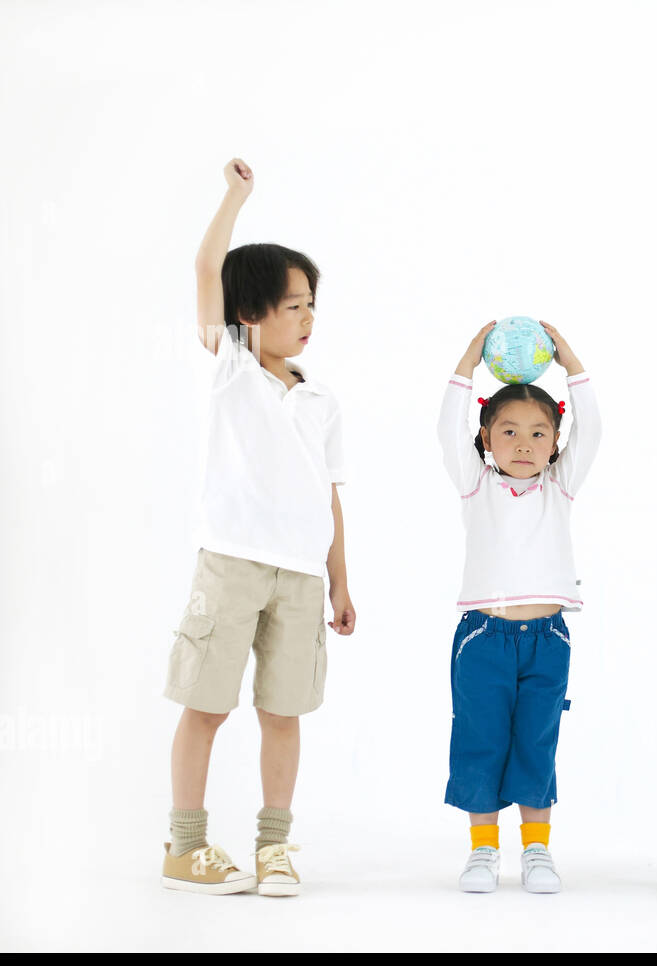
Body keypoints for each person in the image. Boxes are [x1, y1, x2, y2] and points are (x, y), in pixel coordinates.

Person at [161, 158, 355, 897]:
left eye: (312, 305)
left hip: (302, 576)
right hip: (233, 563)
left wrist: (340, 580)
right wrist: (235, 197)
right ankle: (186, 846)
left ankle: (274, 848)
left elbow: (331, 495)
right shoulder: (230, 368)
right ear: (252, 314)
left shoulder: (321, 399)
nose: (309, 319)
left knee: (284, 711)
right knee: (206, 705)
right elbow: (208, 263)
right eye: (294, 306)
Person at [437, 320, 600, 893]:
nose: (524, 444)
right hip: (483, 638)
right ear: (486, 438)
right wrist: (470, 355)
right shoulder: (474, 484)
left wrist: (568, 359)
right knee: (480, 738)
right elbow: (445, 427)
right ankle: (483, 852)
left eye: (538, 433)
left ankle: (537, 850)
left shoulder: (560, 487)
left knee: (536, 741)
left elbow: (594, 427)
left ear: (556, 441)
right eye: (508, 432)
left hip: (546, 640)